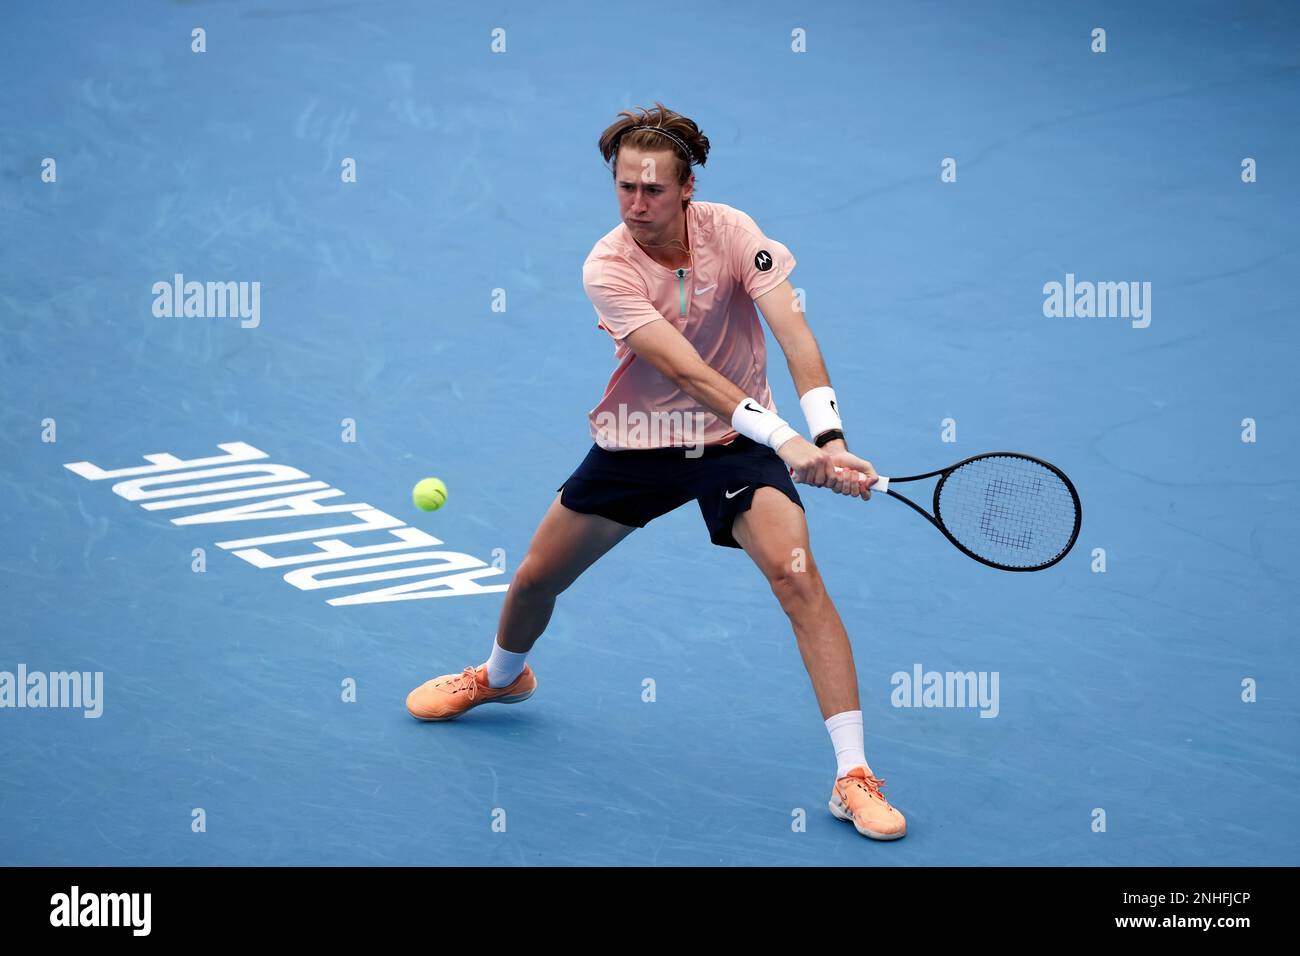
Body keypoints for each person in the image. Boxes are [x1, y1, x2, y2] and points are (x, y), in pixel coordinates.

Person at [406, 103, 906, 841]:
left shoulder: (734, 233)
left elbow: (795, 335)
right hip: (639, 443)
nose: (636, 204)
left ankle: (853, 775)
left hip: (736, 450)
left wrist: (827, 436)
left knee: (798, 576)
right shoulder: (607, 266)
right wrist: (791, 443)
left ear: (687, 189)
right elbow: (690, 371)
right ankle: (501, 676)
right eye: (624, 188)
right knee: (537, 579)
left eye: (652, 190)